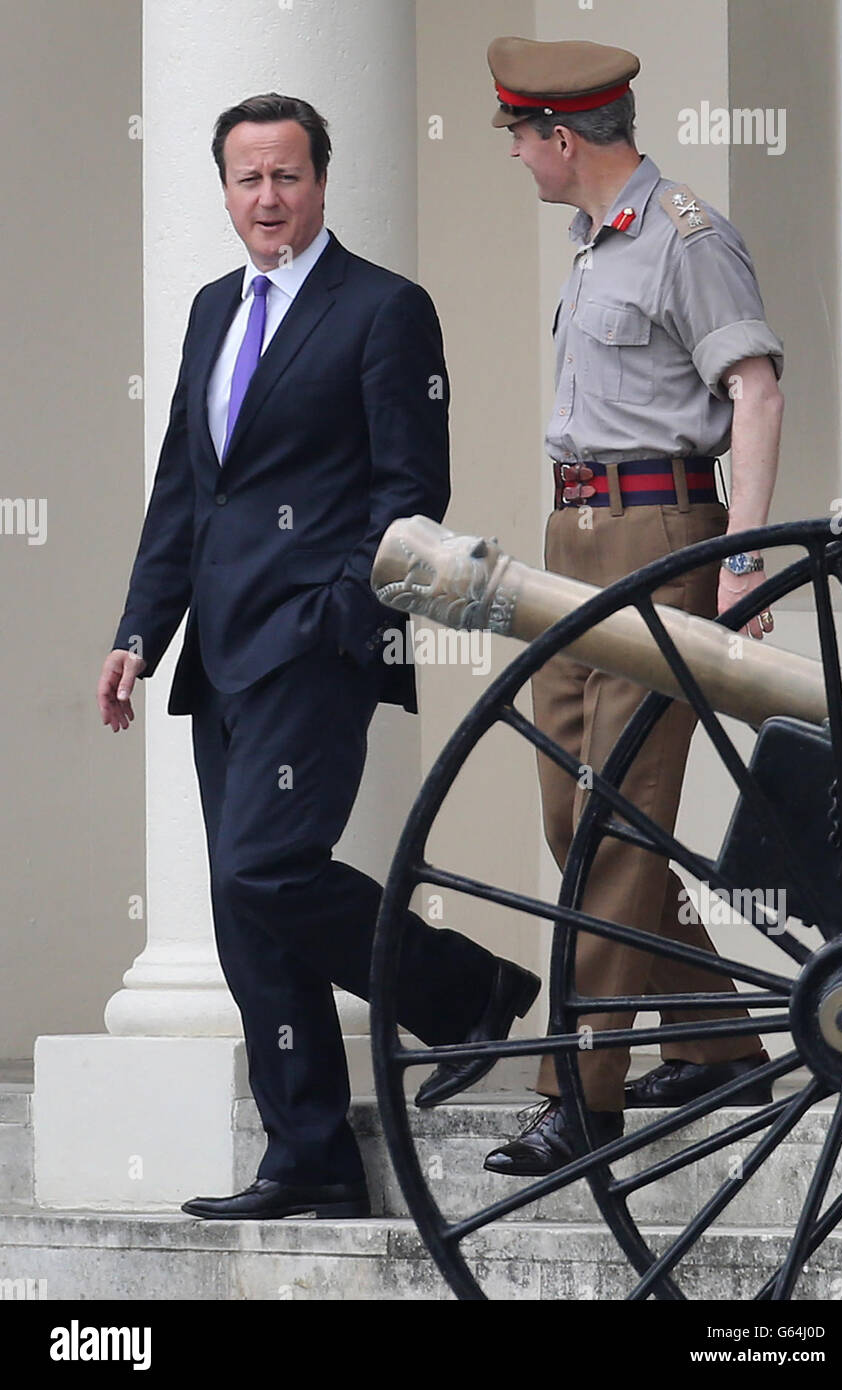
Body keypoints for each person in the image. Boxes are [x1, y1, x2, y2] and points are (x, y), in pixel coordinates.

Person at [96, 93, 539, 1219]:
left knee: (264, 868)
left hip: (319, 641)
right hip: (219, 653)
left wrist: (345, 604)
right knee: (246, 913)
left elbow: (411, 489)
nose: (267, 198)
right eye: (247, 179)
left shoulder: (383, 309)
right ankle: (310, 1158)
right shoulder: (209, 312)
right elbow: (184, 492)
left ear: (321, 182)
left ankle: (466, 990)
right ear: (226, 189)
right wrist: (138, 632)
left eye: (286, 176)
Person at [479, 38, 785, 1176]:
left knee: (612, 817)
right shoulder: (594, 248)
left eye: (518, 135)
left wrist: (742, 562)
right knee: (578, 817)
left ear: (561, 136)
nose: (514, 154)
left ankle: (581, 1095)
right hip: (574, 536)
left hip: (661, 539)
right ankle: (713, 1040)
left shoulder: (686, 237)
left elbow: (751, 391)